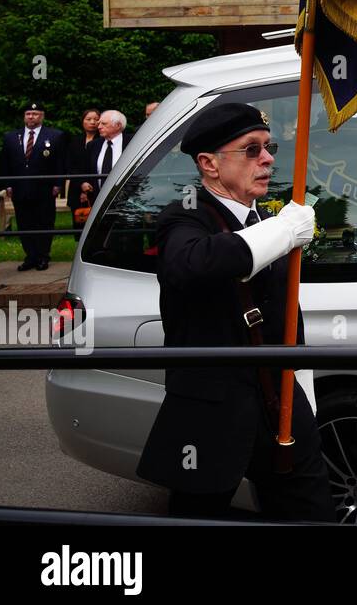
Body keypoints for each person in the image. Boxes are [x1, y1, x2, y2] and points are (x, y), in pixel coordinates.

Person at [135, 102, 334, 521]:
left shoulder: (265, 218)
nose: (267, 159)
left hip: (279, 404)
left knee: (310, 511)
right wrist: (282, 230)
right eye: (250, 149)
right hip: (212, 413)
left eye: (268, 147)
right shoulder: (184, 217)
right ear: (208, 163)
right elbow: (191, 264)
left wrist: (301, 387)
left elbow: (286, 312)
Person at [0, 102, 66, 271]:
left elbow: (60, 162)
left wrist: (58, 184)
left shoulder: (55, 135)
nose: (31, 117)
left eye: (35, 114)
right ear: (24, 116)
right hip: (20, 189)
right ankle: (30, 256)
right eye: (28, 113)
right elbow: (5, 164)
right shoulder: (10, 137)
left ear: (42, 116)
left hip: (45, 189)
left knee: (44, 222)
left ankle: (43, 256)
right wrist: (7, 184)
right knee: (24, 223)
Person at [78, 110, 135, 204]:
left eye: (104, 124)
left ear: (118, 125)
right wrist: (84, 183)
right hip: (98, 200)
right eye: (99, 123)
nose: (99, 126)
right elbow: (84, 169)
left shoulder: (132, 143)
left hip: (127, 199)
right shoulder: (93, 145)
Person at [66, 108, 102, 219]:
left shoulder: (103, 141)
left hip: (96, 187)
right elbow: (70, 164)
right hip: (76, 187)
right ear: (83, 121)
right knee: (78, 222)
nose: (92, 122)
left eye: (96, 119)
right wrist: (81, 183)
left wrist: (88, 185)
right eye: (89, 119)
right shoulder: (74, 141)